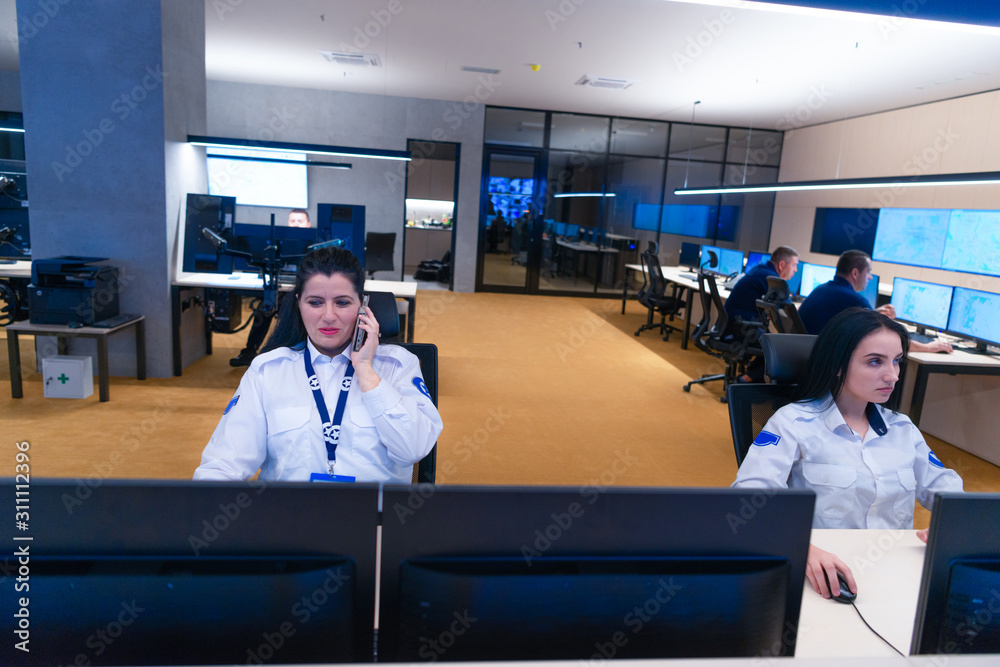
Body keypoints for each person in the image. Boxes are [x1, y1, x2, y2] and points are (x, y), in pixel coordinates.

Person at [732, 308, 963, 599]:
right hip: (822, 575)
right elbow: (750, 498)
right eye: (875, 362)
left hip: (896, 575)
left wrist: (951, 526)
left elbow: (949, 493)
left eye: (897, 362)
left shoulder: (902, 430)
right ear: (838, 365)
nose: (892, 375)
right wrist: (799, 546)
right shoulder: (793, 423)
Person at [197, 245, 443, 484]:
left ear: (363, 305)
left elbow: (413, 449)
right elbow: (224, 464)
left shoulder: (398, 366)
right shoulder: (267, 371)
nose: (328, 316)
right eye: (315, 302)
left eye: (342, 302)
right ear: (298, 304)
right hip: (290, 519)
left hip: (374, 521)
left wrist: (365, 370)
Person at [798, 250, 953, 354]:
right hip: (822, 363)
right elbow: (886, 338)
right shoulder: (854, 299)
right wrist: (927, 347)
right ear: (855, 273)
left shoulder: (822, 289)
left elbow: (847, 316)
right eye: (868, 271)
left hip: (806, 356)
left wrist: (873, 314)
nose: (870, 277)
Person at [230, 209, 312, 367]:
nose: (295, 225)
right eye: (292, 221)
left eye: (299, 222)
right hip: (279, 287)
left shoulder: (314, 245)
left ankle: (290, 351)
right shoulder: (278, 243)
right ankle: (250, 352)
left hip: (302, 292)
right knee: (265, 308)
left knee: (287, 310)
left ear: (308, 225)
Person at [723, 246, 799, 382]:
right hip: (742, 328)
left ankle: (748, 374)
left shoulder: (760, 270)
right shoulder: (771, 278)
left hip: (735, 324)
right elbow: (788, 309)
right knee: (782, 348)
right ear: (782, 265)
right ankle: (746, 380)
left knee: (772, 339)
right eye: (794, 265)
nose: (796, 270)